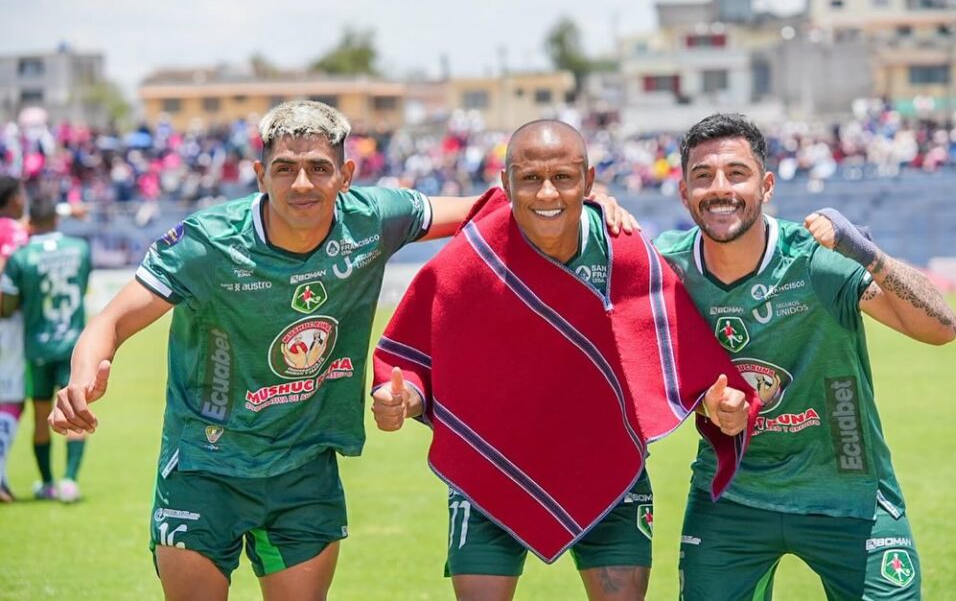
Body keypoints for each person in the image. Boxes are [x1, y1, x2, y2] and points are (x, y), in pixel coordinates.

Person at [47, 101, 634, 601]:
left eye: (318, 168)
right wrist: (82, 375)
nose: (301, 184)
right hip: (206, 465)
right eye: (284, 168)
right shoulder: (209, 242)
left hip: (305, 468)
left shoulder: (373, 219)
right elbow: (113, 318)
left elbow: (494, 206)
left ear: (346, 173)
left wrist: (588, 198)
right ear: (259, 174)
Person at [371, 120, 757, 601]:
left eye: (564, 177)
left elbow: (681, 357)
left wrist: (718, 405)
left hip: (606, 460)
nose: (547, 192)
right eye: (530, 178)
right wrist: (403, 397)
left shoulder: (622, 248)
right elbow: (416, 360)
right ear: (506, 182)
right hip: (490, 462)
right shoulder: (474, 255)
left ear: (589, 181)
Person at [654, 113, 956, 600]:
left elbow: (943, 327)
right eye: (702, 176)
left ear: (766, 185)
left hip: (848, 495)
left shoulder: (815, 258)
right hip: (732, 499)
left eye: (737, 173)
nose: (719, 188)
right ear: (684, 192)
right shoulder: (667, 268)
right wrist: (706, 405)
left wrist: (868, 255)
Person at [1, 195, 92, 503]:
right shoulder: (80, 249)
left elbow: (8, 305)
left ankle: (48, 483)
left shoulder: (22, 257)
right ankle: (70, 481)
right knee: (77, 411)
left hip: (38, 346)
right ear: (56, 219)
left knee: (42, 416)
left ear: (31, 223)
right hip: (74, 346)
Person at [0, 175, 29, 502]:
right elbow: (5, 265)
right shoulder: (11, 230)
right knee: (10, 399)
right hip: (7, 322)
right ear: (16, 199)